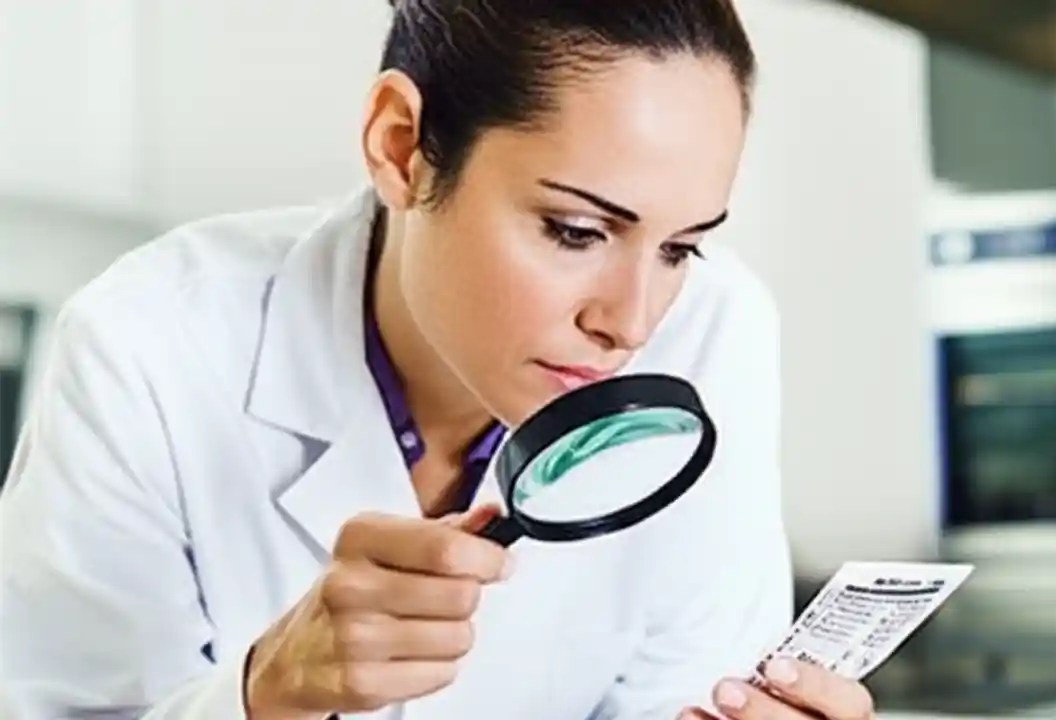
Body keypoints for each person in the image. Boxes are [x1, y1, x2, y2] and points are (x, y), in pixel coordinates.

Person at [0, 2, 877, 718]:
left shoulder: (715, 334)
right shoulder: (149, 344)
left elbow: (685, 687)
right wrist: (264, 695)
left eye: (680, 248)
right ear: (399, 146)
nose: (632, 321)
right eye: (575, 232)